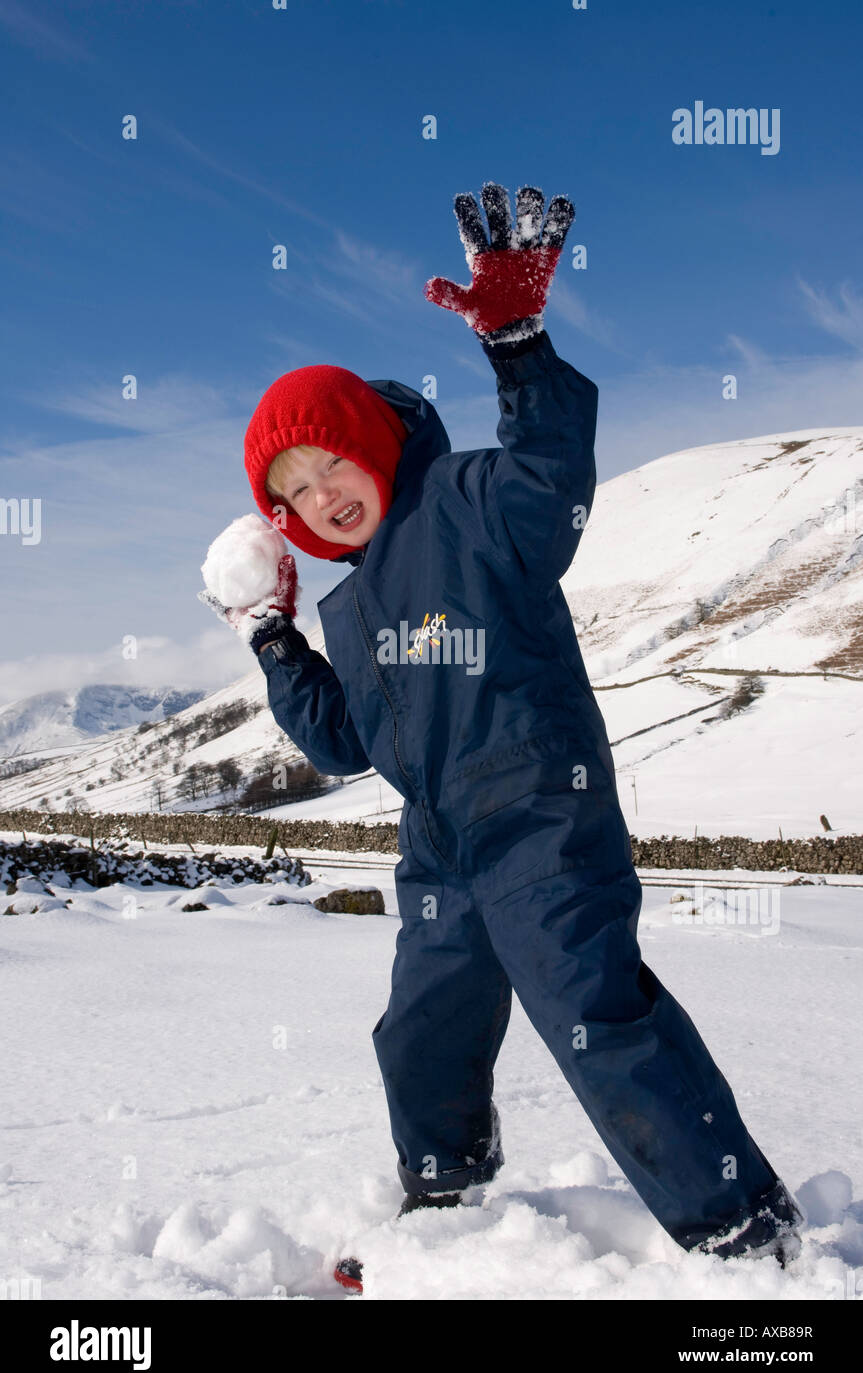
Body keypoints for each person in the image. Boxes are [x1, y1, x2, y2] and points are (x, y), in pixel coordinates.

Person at [199, 182, 802, 1267]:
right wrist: (273, 639)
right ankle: (445, 1197)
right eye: (295, 489)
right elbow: (343, 740)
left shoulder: (472, 504)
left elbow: (552, 471)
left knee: (591, 1009)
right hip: (437, 845)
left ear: (373, 438)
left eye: (333, 456)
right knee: (421, 1023)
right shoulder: (351, 604)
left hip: (538, 816)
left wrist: (517, 348)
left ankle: (741, 1223)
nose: (324, 492)